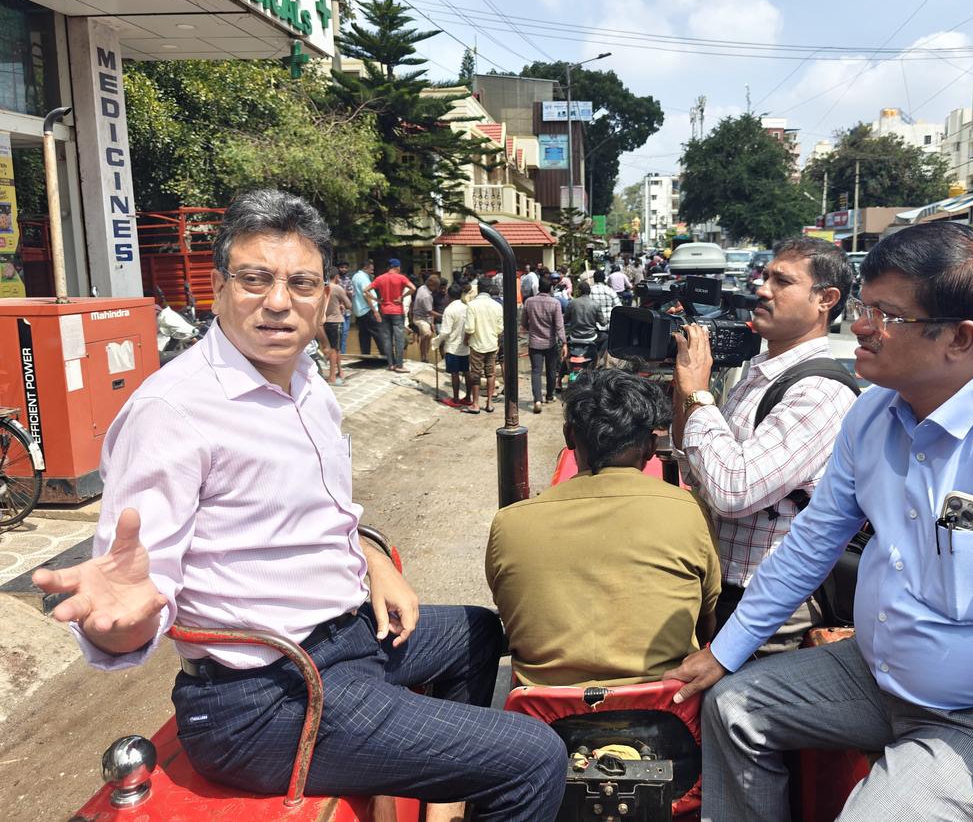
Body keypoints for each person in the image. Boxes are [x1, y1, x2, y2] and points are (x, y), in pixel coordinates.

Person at [33, 188, 565, 820]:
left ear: (325, 294)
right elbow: (138, 593)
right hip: (266, 699)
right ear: (219, 285)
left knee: (481, 632)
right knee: (535, 756)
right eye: (256, 280)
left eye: (301, 284)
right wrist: (119, 625)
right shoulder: (171, 413)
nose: (278, 303)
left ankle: (440, 776)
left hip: (347, 639)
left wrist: (374, 559)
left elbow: (323, 509)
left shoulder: (307, 383)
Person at [666, 221, 973, 822]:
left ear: (959, 337)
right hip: (876, 675)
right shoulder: (874, 413)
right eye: (864, 306)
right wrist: (727, 650)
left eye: (886, 314)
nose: (860, 325)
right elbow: (812, 542)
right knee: (732, 705)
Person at [672, 237, 857, 651]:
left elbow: (733, 491)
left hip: (770, 600)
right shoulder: (759, 373)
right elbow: (696, 468)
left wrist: (699, 392)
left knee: (737, 711)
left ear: (825, 299)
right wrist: (683, 385)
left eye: (781, 281)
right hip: (723, 586)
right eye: (764, 276)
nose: (762, 288)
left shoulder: (821, 391)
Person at [487, 369, 719, 687]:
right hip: (665, 704)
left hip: (543, 714)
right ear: (652, 446)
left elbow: (513, 615)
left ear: (570, 437)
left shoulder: (508, 523)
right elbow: (706, 621)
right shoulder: (690, 511)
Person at [520, 275, 567, 414]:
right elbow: (559, 326)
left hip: (534, 343)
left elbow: (523, 323)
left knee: (536, 371)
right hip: (551, 343)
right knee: (551, 370)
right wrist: (564, 342)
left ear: (539, 287)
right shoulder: (555, 303)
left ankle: (537, 400)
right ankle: (549, 396)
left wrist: (533, 328)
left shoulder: (529, 302)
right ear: (551, 288)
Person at [463, 276, 504, 414]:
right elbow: (500, 329)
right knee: (490, 373)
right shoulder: (497, 306)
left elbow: (469, 329)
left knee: (475, 374)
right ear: (490, 290)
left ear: (478, 289)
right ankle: (490, 403)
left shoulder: (472, 305)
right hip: (492, 345)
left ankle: (475, 404)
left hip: (476, 345)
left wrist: (465, 340)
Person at [369, 259, 416, 373]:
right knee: (399, 338)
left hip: (384, 310)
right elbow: (413, 288)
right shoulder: (401, 278)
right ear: (397, 267)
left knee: (387, 338)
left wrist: (377, 300)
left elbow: (365, 290)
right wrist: (402, 297)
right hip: (397, 311)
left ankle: (390, 364)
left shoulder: (380, 278)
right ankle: (399, 365)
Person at [350, 259, 387, 359]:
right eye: (371, 269)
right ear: (365, 267)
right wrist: (375, 311)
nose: (372, 270)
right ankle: (387, 358)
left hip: (360, 311)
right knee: (380, 333)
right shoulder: (362, 278)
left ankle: (365, 357)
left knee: (364, 336)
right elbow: (366, 294)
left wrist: (376, 299)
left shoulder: (356, 276)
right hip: (368, 310)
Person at [323, 268, 353, 386]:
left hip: (325, 321)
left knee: (335, 348)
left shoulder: (322, 288)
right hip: (336, 321)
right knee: (335, 349)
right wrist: (342, 303)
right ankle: (332, 377)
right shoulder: (337, 288)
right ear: (336, 277)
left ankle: (340, 372)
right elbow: (349, 305)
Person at [589, 270, 620, 362]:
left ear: (594, 279)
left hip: (592, 328)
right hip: (607, 327)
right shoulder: (610, 291)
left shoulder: (589, 291)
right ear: (604, 279)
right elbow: (619, 308)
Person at [411, 273, 440, 364]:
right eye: (436, 286)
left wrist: (432, 323)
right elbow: (430, 311)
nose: (436, 289)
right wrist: (442, 315)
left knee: (430, 335)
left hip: (426, 318)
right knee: (427, 334)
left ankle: (425, 355)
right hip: (420, 318)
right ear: (432, 285)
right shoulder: (426, 295)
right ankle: (423, 355)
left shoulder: (422, 288)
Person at [336, 260, 353, 353]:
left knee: (345, 334)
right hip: (336, 311)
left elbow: (351, 294)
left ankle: (342, 354)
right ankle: (335, 355)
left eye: (346, 267)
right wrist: (345, 292)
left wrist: (343, 292)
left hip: (346, 311)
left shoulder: (348, 280)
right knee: (337, 334)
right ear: (338, 268)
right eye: (342, 267)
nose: (344, 269)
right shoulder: (334, 279)